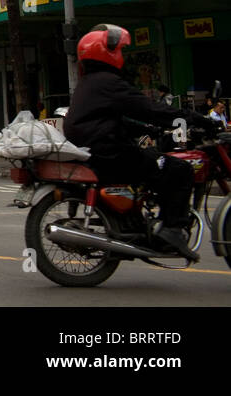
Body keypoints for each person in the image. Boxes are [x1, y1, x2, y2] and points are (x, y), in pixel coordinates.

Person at [63, 24, 215, 260]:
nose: (122, 55)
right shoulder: (109, 83)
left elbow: (117, 118)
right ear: (107, 52)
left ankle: (143, 223)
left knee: (156, 165)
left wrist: (150, 129)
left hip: (100, 148)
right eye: (120, 50)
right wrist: (196, 118)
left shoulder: (91, 83)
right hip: (111, 152)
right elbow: (149, 108)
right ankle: (172, 230)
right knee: (180, 169)